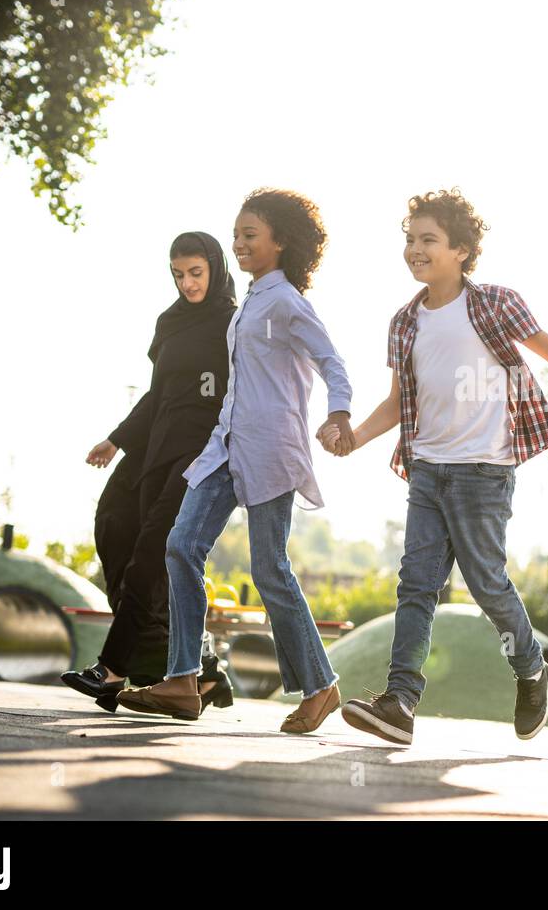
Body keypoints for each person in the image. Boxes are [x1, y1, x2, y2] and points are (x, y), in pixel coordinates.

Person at [318, 189, 548, 746]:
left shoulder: (494, 304)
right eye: (410, 240)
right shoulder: (404, 322)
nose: (415, 250)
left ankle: (531, 669)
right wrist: (355, 439)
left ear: (462, 251)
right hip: (426, 471)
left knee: (489, 586)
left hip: (483, 474)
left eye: (429, 240)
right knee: (415, 587)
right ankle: (399, 702)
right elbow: (399, 400)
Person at [117, 188, 353, 734]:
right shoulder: (249, 302)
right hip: (225, 445)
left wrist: (338, 416)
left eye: (250, 235)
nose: (239, 243)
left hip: (270, 448)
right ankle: (181, 680)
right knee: (180, 545)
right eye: (237, 235)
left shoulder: (288, 302)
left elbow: (333, 363)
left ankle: (322, 686)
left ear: (280, 241)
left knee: (269, 569)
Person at [64, 231, 238, 713]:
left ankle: (112, 669)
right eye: (178, 274)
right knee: (116, 524)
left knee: (155, 549)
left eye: (196, 273)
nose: (187, 283)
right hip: (155, 446)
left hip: (200, 453)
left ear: (216, 268)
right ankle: (193, 671)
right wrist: (116, 439)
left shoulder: (234, 323)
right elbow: (156, 395)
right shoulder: (170, 322)